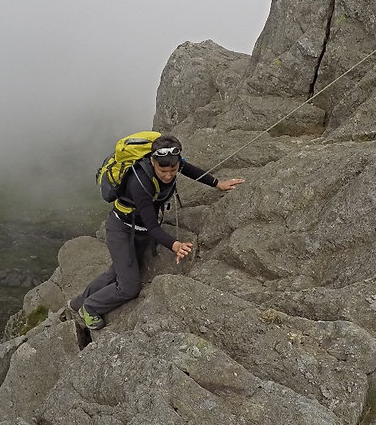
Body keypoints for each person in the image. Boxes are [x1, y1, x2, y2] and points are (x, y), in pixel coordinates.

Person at [68, 134, 245, 330]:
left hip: (137, 229)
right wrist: (174, 245)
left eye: (173, 170)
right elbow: (153, 226)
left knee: (118, 271)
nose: (169, 175)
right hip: (121, 230)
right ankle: (90, 308)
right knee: (129, 287)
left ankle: (76, 303)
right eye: (163, 170)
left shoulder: (171, 162)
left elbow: (190, 170)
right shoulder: (140, 183)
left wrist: (217, 183)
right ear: (152, 161)